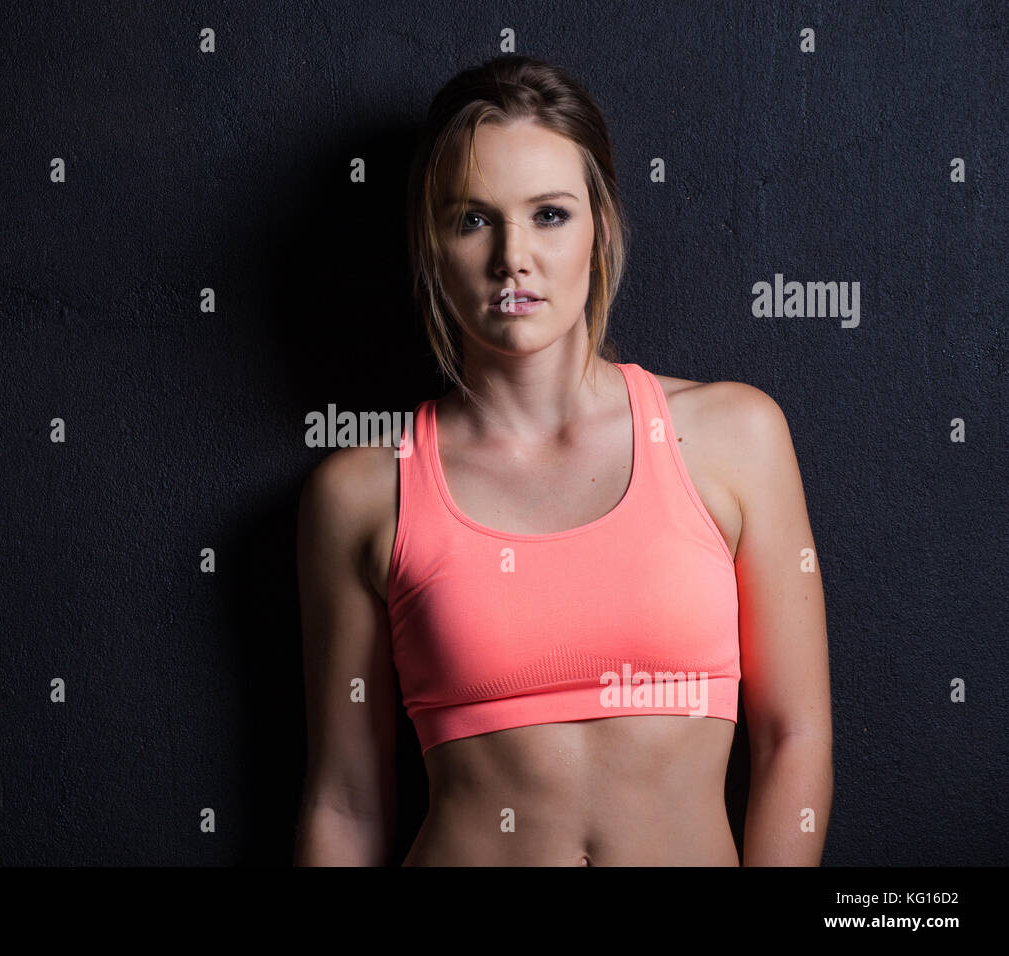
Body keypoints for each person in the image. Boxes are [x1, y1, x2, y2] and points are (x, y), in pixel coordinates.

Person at [294, 55, 832, 866]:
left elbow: (795, 738)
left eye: (549, 214)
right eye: (473, 219)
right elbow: (345, 803)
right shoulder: (363, 494)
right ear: (431, 243)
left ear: (601, 226)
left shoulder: (735, 436)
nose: (514, 255)